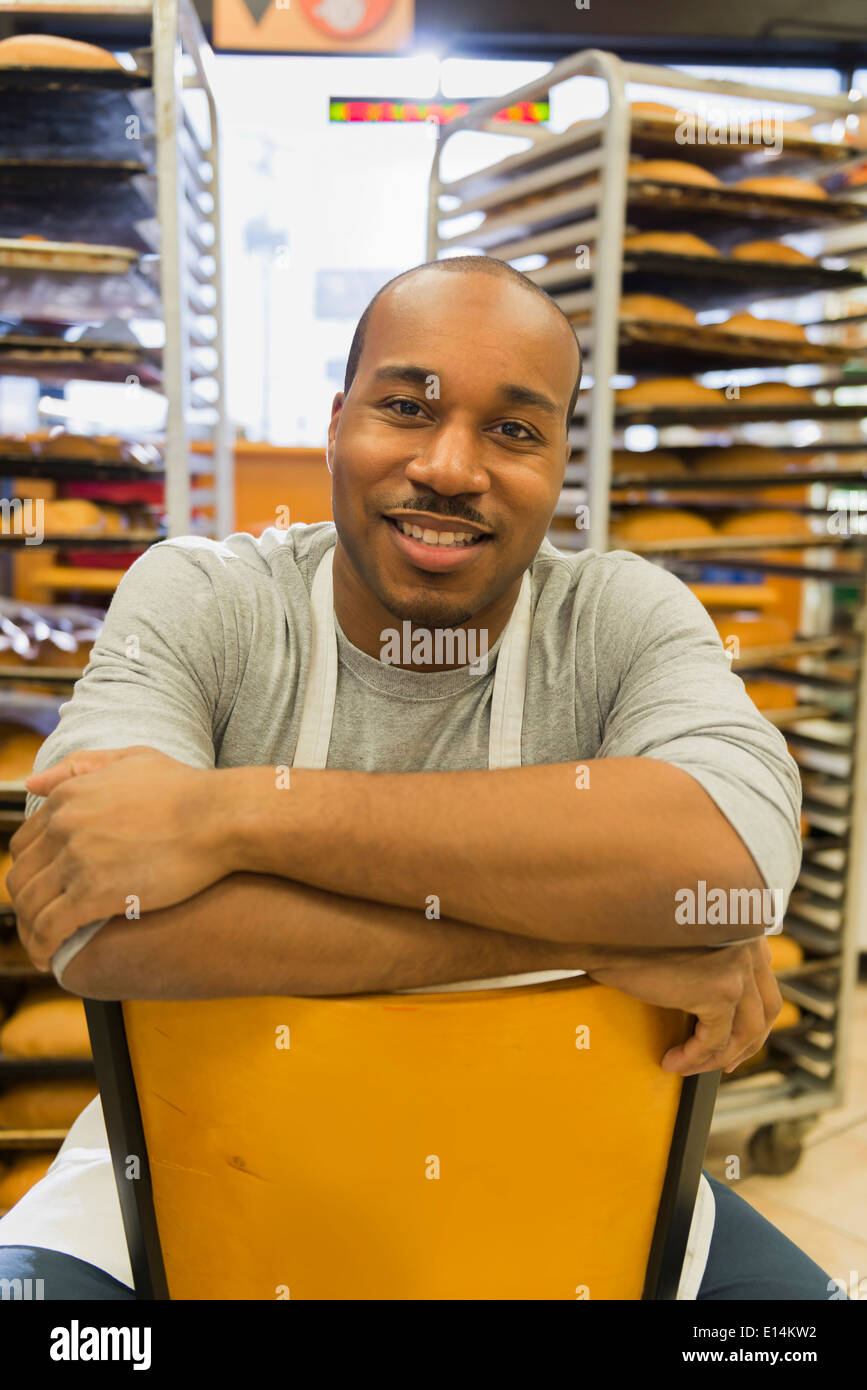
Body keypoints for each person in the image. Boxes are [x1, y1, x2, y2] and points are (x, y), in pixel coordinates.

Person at [0, 257, 840, 1300]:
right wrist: (597, 938)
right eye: (407, 407)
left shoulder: (621, 617)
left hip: (574, 1160)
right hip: (196, 1159)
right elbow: (97, 921)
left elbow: (731, 859)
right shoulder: (203, 599)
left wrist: (227, 817)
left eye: (514, 429)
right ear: (337, 422)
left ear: (561, 466)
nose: (449, 465)